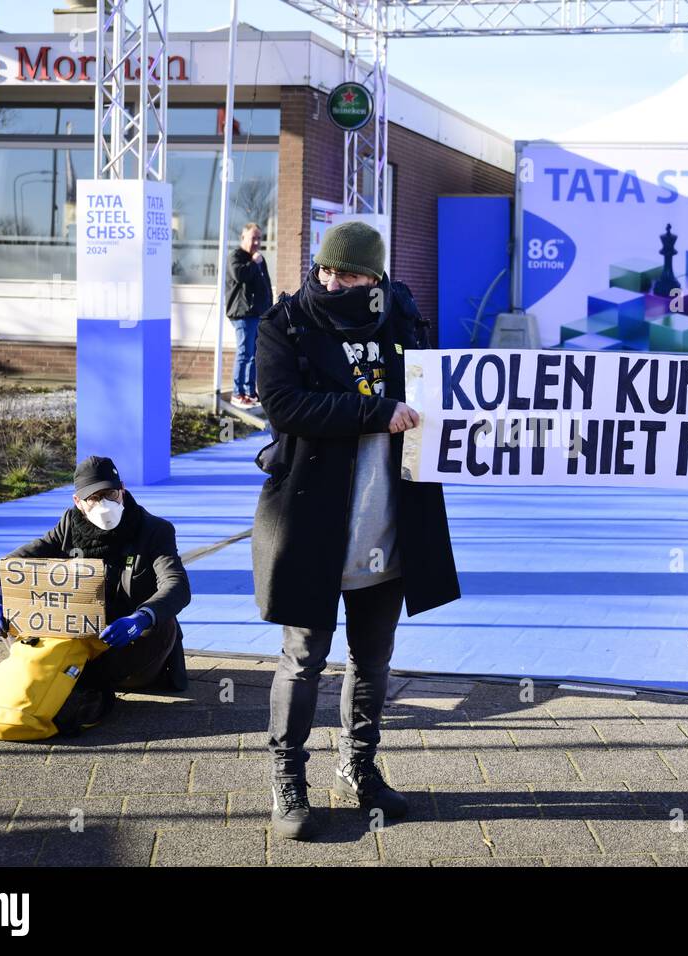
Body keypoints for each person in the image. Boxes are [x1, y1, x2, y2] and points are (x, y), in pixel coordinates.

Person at [252, 220, 460, 840]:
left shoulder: (403, 322)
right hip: (313, 523)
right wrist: (375, 411)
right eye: (325, 270)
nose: (332, 282)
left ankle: (360, 766)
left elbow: (441, 397)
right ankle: (288, 777)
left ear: (376, 278)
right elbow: (284, 405)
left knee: (372, 660)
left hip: (390, 524)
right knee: (303, 658)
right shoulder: (286, 324)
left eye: (347, 274)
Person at [0, 455, 192, 732]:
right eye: (93, 497)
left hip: (126, 645)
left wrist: (141, 618)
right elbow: (10, 564)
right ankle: (63, 681)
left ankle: (73, 684)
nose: (104, 504)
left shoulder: (154, 530)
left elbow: (176, 585)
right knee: (15, 611)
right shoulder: (68, 526)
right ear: (78, 502)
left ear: (122, 491)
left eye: (110, 494)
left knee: (164, 624)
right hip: (76, 638)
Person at [226, 222, 273, 407]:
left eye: (259, 238)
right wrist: (254, 262)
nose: (256, 242)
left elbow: (266, 285)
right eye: (253, 237)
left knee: (254, 354)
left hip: (258, 313)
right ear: (243, 237)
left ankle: (250, 392)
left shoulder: (259, 259)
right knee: (244, 353)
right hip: (242, 313)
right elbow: (240, 275)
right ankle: (238, 393)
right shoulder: (236, 256)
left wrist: (270, 308)